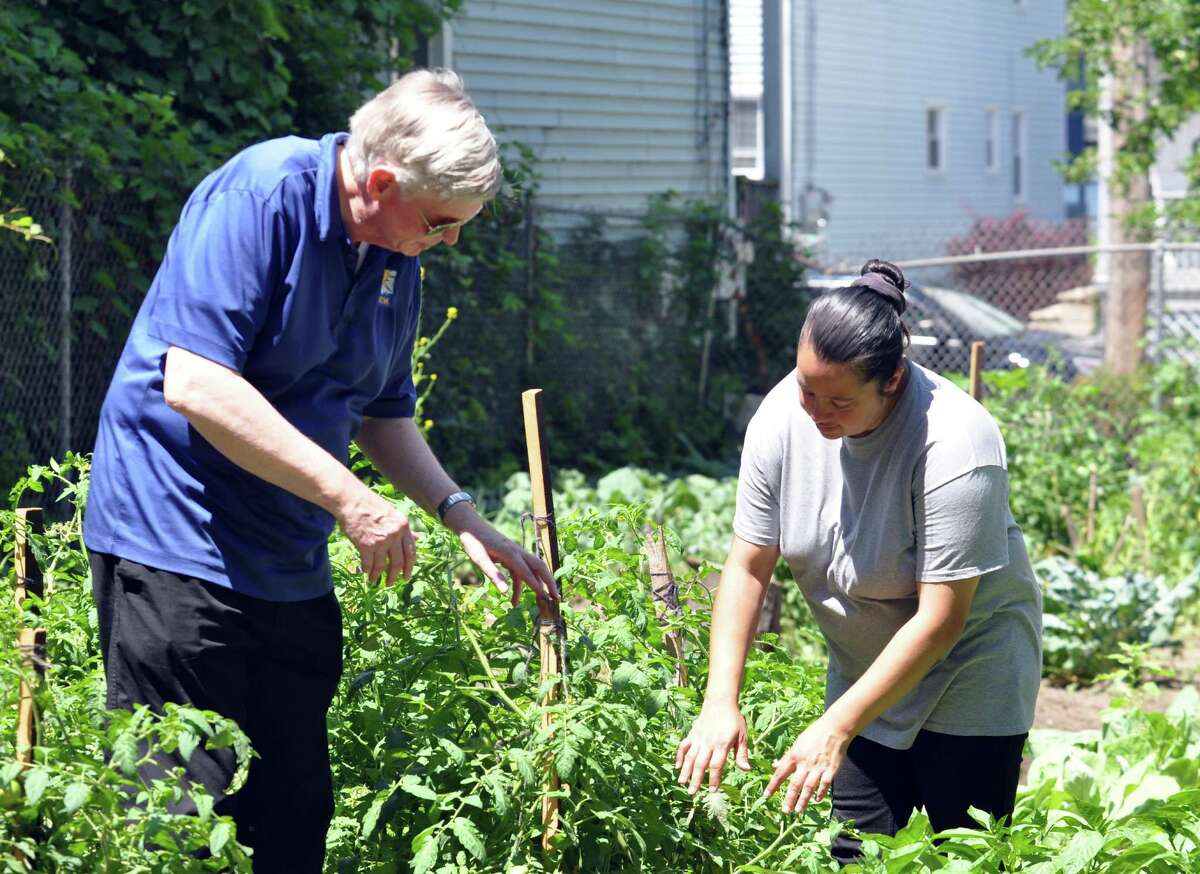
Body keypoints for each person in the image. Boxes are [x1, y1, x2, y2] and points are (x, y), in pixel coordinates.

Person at [83, 68, 558, 872]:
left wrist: (464, 518)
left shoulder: (393, 255)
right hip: (174, 545)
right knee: (177, 821)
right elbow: (196, 383)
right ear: (379, 183)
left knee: (293, 817)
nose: (449, 242)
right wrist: (352, 500)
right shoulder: (261, 195)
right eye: (442, 222)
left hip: (288, 562)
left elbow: (381, 415)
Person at [675, 259, 1041, 864]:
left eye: (839, 400)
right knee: (855, 855)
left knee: (966, 856)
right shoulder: (781, 418)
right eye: (805, 388)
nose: (815, 411)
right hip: (864, 670)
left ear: (893, 380)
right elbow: (746, 568)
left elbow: (942, 619)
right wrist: (721, 700)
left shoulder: (955, 442)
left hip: (970, 669)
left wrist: (834, 727)